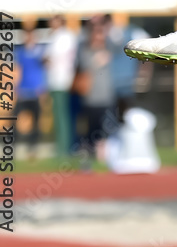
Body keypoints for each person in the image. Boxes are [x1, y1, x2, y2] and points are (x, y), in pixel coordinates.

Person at [76, 16, 117, 163]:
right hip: (90, 97)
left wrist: (103, 24)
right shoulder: (84, 49)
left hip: (106, 97)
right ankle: (88, 156)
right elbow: (83, 66)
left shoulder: (109, 48)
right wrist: (96, 61)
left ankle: (102, 157)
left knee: (105, 129)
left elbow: (117, 42)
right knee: (89, 130)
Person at [44, 14, 78, 157]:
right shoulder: (59, 36)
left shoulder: (62, 37)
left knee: (62, 116)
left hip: (61, 80)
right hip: (58, 80)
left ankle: (64, 148)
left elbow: (52, 58)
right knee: (61, 116)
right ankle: (64, 147)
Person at [13, 25, 46, 160]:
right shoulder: (20, 52)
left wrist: (42, 89)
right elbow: (16, 70)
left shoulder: (40, 51)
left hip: (35, 92)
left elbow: (44, 69)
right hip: (23, 92)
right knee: (13, 120)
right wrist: (15, 89)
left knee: (36, 123)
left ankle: (32, 149)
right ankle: (12, 148)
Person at [105, 99, 160, 175]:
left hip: (123, 166)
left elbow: (113, 147)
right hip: (150, 165)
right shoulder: (145, 117)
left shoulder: (120, 126)